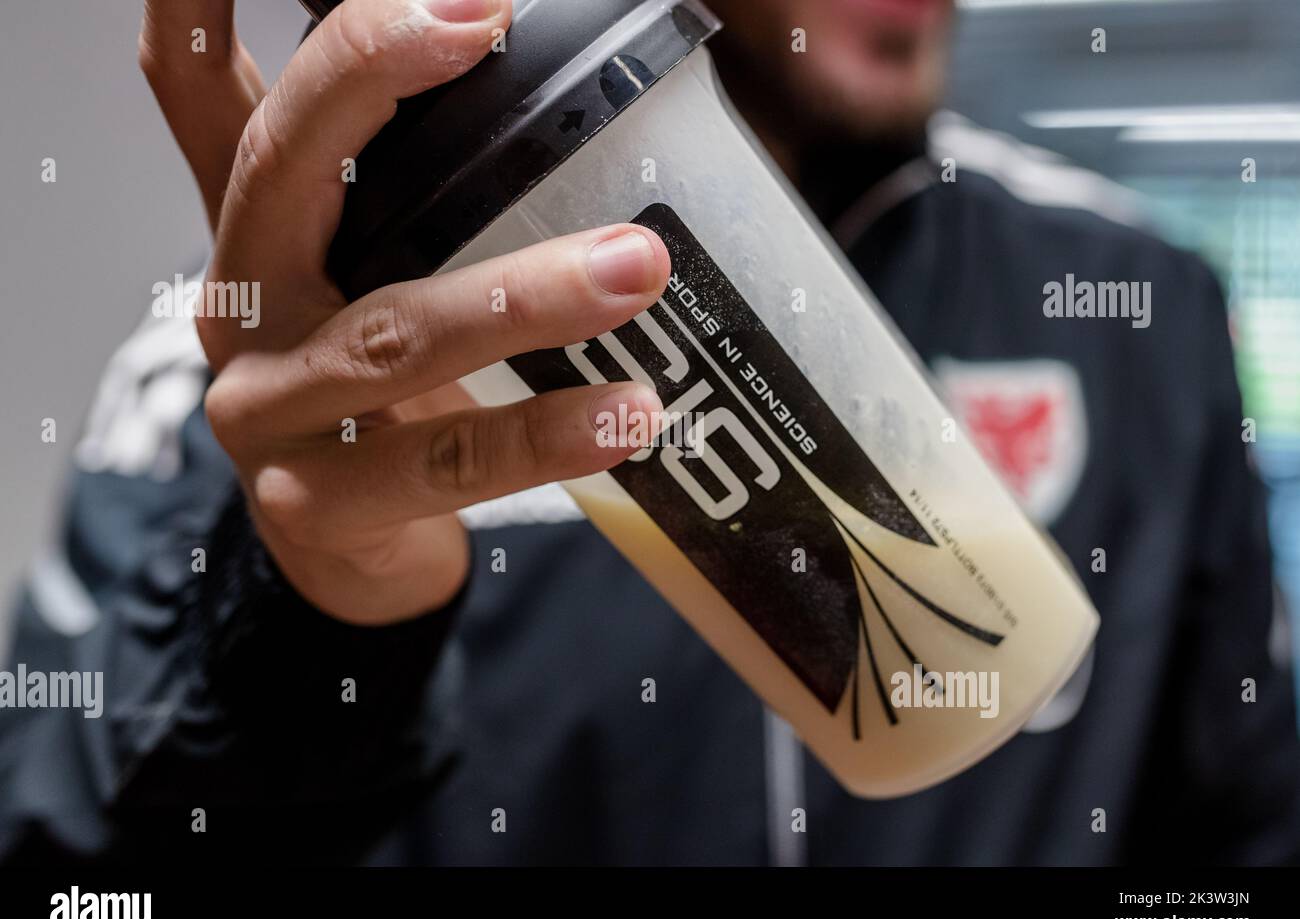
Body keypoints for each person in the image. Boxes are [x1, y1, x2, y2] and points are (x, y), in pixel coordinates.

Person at [2, 0, 1297, 865]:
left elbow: (1243, 826)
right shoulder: (275, 349)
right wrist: (315, 625)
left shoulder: (1138, 299)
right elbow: (69, 867)